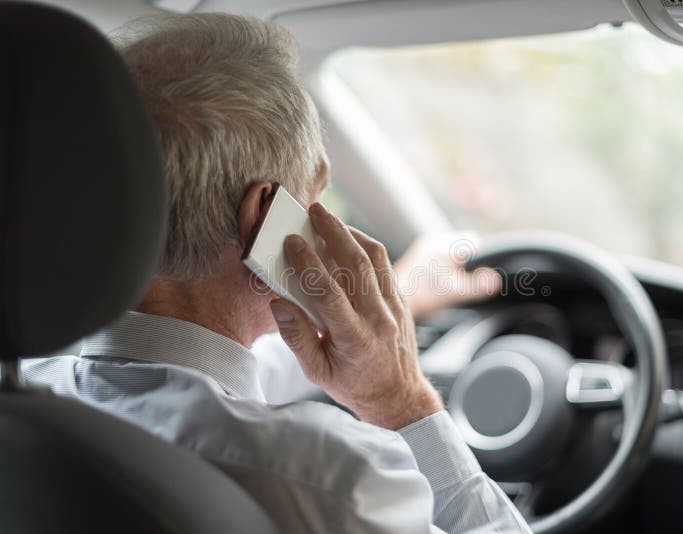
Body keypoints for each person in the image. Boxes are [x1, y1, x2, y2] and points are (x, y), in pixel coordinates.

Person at [23, 13, 529, 534]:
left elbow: (187, 362)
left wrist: (399, 292)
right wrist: (400, 403)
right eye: (316, 194)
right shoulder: (329, 479)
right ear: (265, 217)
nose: (319, 217)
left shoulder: (26, 391)